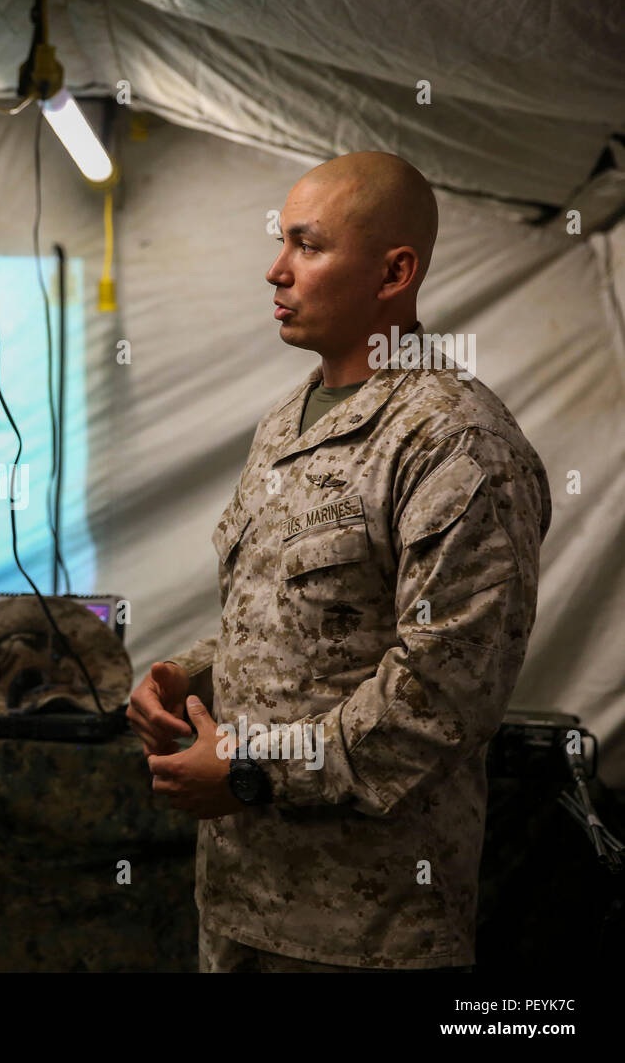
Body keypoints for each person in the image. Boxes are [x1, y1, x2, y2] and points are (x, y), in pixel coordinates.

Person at [128, 151, 551, 972]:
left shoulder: (455, 442)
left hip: (367, 931)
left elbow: (440, 695)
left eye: (306, 245)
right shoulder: (287, 421)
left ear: (394, 272)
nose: (274, 270)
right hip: (241, 901)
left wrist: (253, 771)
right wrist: (191, 676)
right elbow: (298, 629)